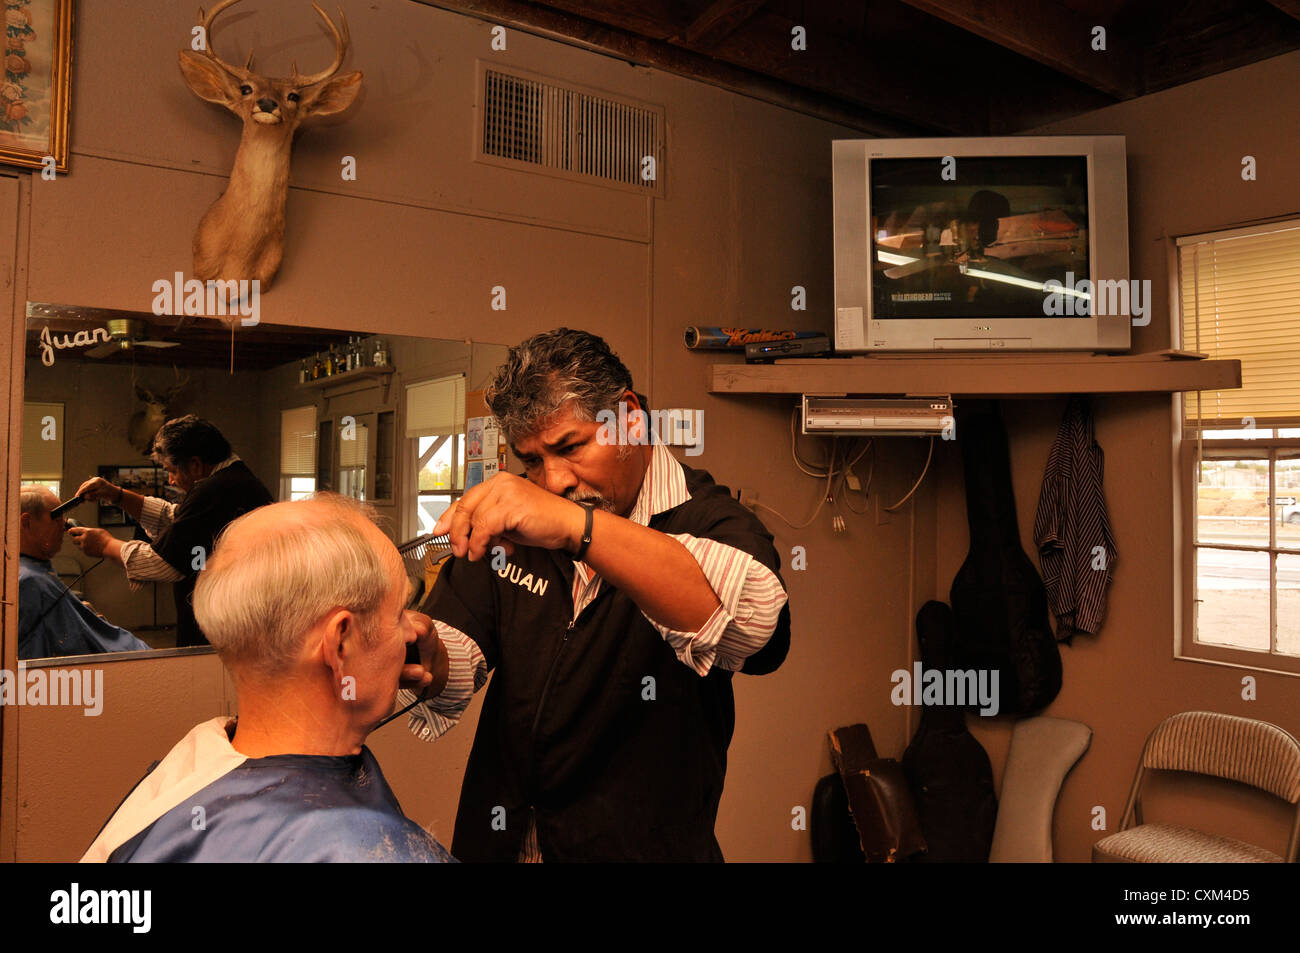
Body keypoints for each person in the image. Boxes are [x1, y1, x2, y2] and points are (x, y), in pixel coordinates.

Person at [400, 328, 792, 861]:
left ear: (628, 416)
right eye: (531, 460)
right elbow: (459, 649)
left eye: (570, 447)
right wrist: (429, 657)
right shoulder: (520, 529)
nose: (554, 480)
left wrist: (574, 529)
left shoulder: (707, 518)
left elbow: (757, 630)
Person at [81, 493, 455, 863]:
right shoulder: (362, 850)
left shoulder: (189, 767)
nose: (412, 633)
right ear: (340, 643)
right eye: (400, 612)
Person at [69, 415, 273, 647]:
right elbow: (177, 519)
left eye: (172, 471)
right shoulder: (233, 480)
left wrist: (105, 545)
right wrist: (116, 494)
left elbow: (163, 563)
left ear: (195, 464)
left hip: (225, 630)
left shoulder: (213, 490)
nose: (171, 481)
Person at [17, 486, 151, 659]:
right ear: (26, 522)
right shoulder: (30, 583)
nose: (65, 526)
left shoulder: (31, 571)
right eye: (57, 517)